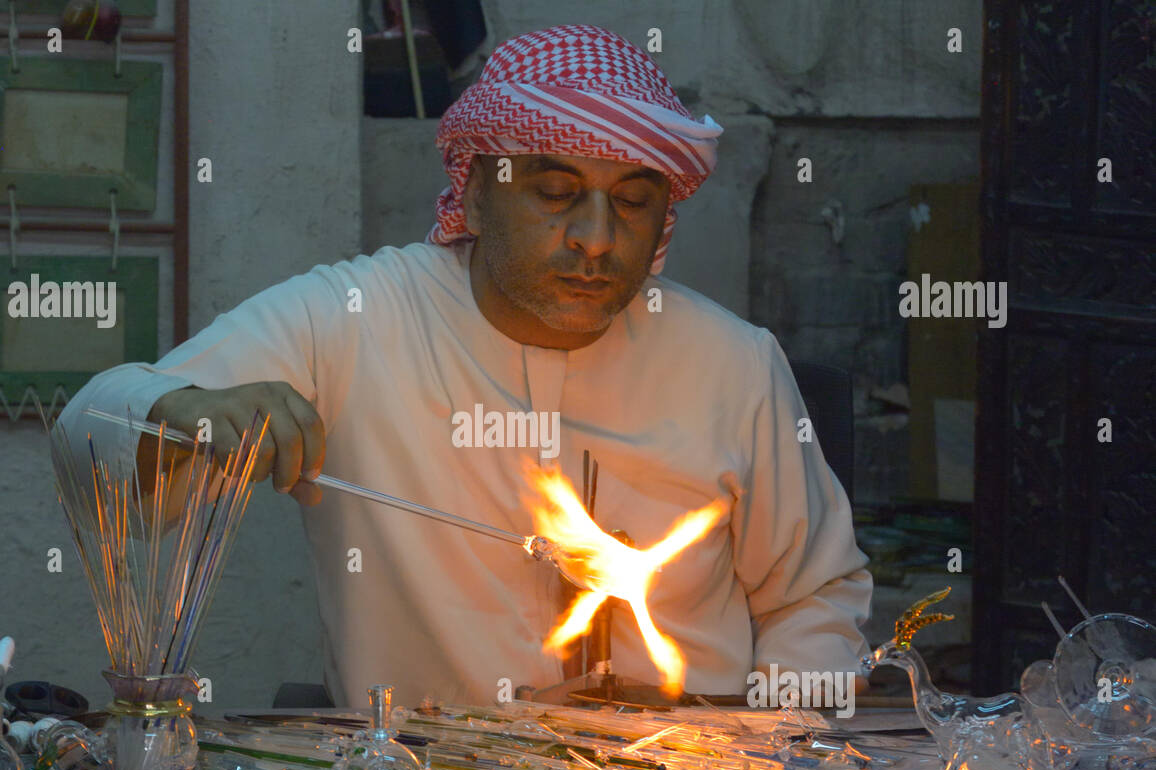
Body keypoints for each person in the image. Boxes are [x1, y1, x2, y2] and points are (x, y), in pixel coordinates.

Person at [59, 24, 873, 708]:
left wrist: (774, 756)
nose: (596, 236)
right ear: (478, 190)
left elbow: (815, 595)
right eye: (556, 191)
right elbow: (92, 429)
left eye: (631, 200)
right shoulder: (356, 321)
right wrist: (180, 417)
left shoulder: (732, 364)